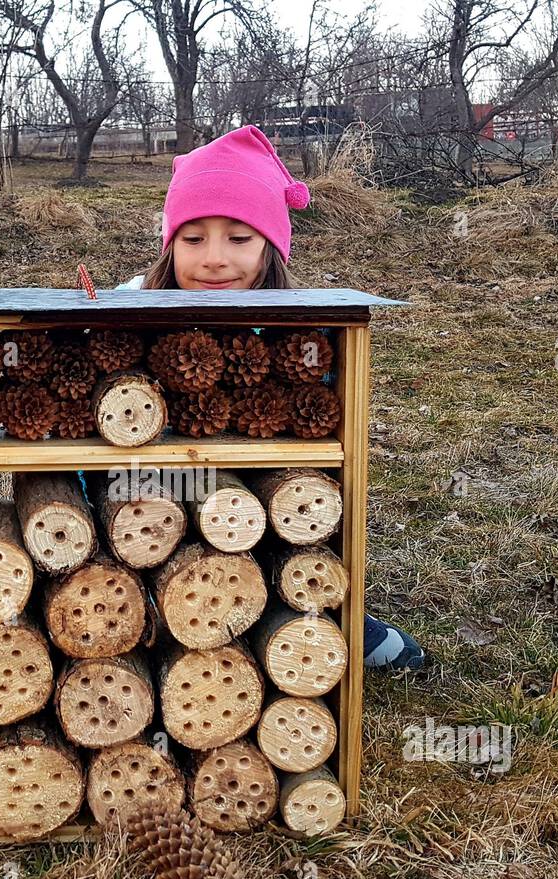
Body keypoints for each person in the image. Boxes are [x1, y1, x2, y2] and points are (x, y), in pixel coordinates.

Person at [117, 124, 424, 672]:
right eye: (192, 238)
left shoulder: (300, 334)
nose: (213, 259)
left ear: (272, 247)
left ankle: (317, 608)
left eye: (239, 238)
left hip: (259, 511)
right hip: (143, 506)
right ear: (169, 244)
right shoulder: (130, 308)